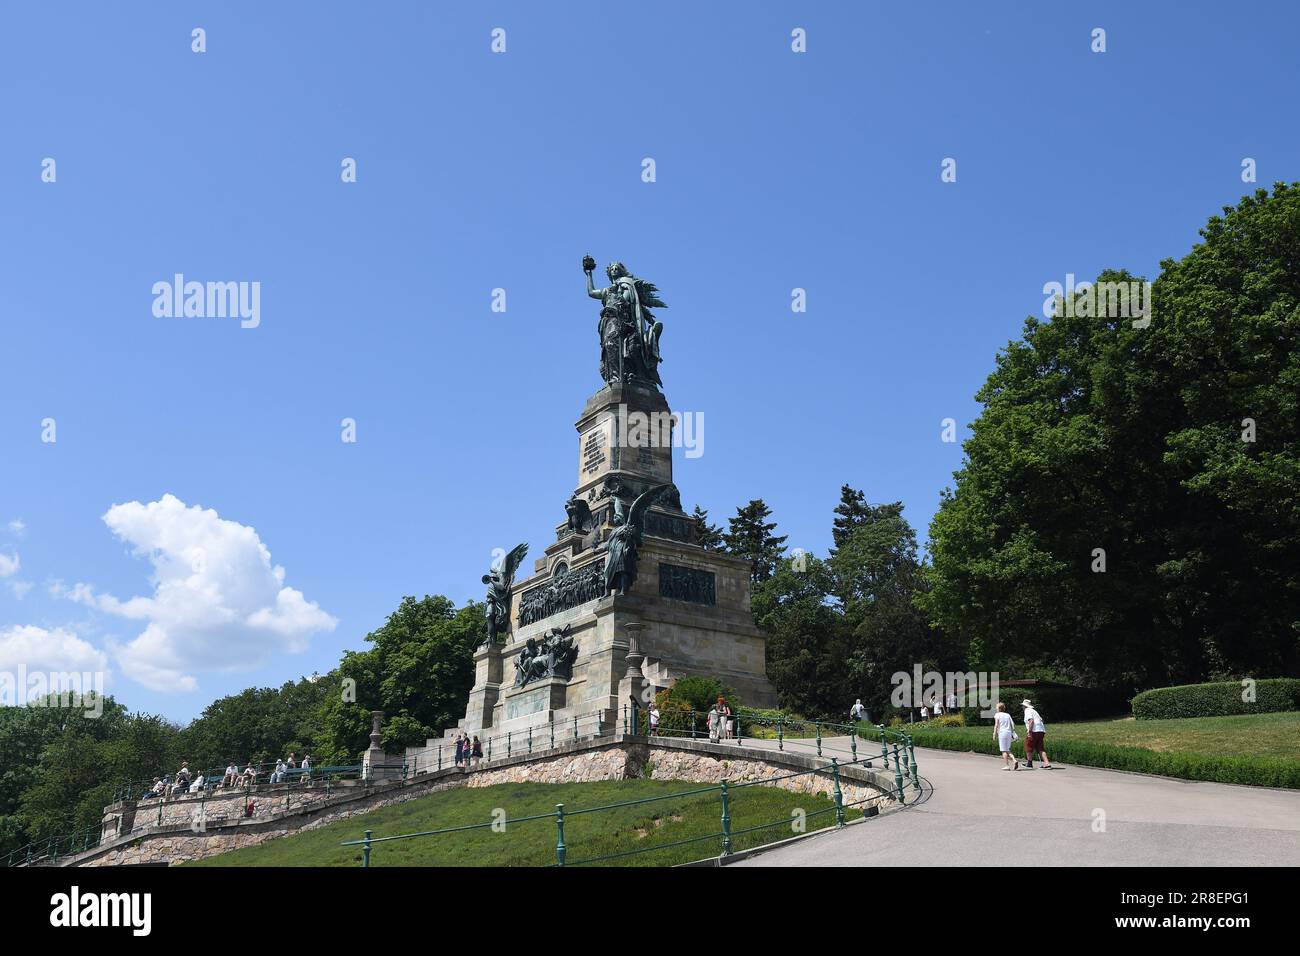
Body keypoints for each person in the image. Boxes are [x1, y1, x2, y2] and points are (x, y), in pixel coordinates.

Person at [1021, 699, 1054, 769]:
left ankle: (1029, 763)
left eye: (1023, 706)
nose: (1022, 707)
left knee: (1028, 746)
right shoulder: (1034, 711)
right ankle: (1047, 763)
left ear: (1024, 706)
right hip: (1041, 730)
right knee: (1040, 747)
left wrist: (1029, 731)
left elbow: (1031, 721)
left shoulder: (1027, 711)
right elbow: (1041, 720)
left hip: (1034, 731)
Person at [993, 702, 1019, 771]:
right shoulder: (1007, 715)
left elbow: (996, 725)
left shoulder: (997, 715)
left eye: (996, 707)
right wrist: (1013, 732)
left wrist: (994, 734)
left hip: (1002, 733)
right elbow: (1012, 724)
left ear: (999, 708)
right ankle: (1014, 760)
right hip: (1009, 732)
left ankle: (1007, 765)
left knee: (1003, 750)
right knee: (1007, 749)